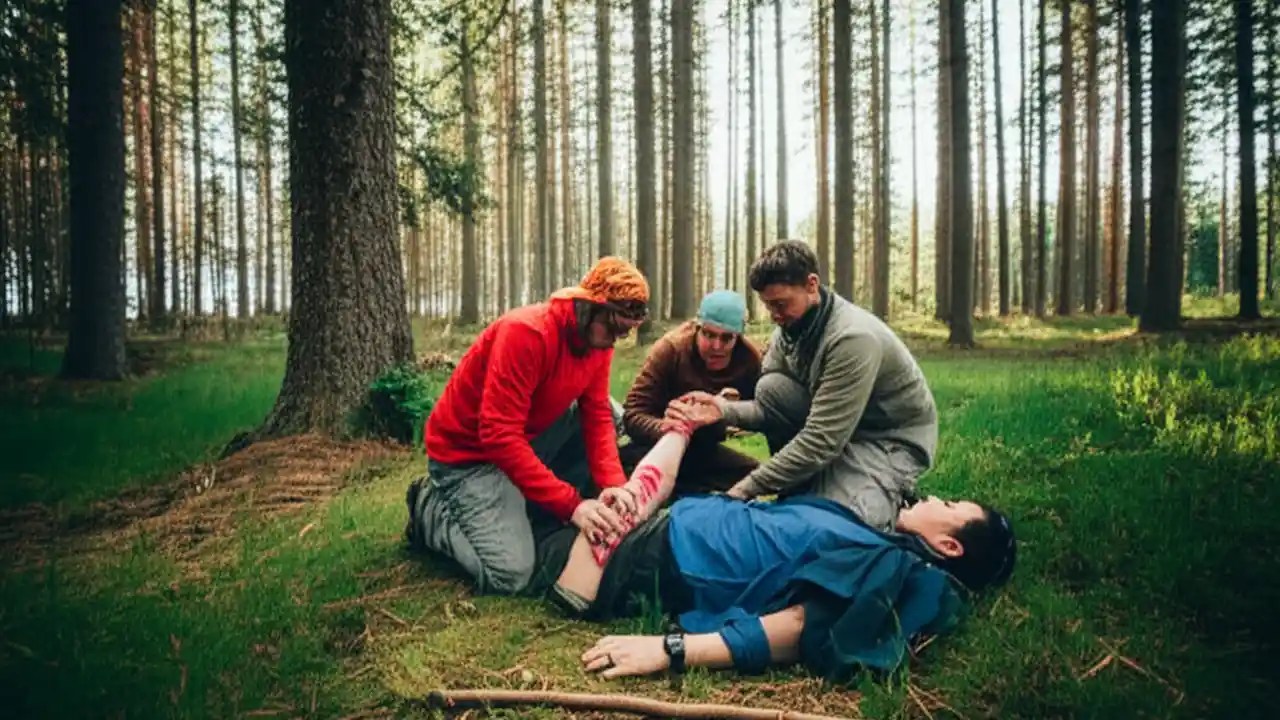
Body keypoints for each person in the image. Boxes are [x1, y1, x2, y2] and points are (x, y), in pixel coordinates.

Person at [526, 415, 1015, 682]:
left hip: (636, 558)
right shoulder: (884, 541)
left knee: (520, 542)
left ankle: (449, 508)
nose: (932, 496)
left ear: (949, 545)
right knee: (563, 433)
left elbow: (800, 627)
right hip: (663, 524)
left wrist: (669, 650)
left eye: (948, 503)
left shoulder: (899, 569)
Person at [406, 257, 651, 595]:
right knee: (511, 574)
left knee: (611, 413)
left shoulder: (598, 344)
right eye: (612, 329)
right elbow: (497, 435)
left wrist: (613, 485)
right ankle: (429, 508)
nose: (613, 341)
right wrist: (571, 504)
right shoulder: (527, 333)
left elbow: (594, 413)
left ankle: (530, 501)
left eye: (622, 334)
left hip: (526, 435)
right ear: (589, 306)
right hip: (469, 458)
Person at [669, 240, 939, 532]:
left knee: (843, 528)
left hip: (887, 440)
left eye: (780, 304)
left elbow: (821, 440)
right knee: (771, 387)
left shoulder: (852, 339)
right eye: (768, 305)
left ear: (812, 285)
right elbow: (768, 408)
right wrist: (722, 410)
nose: (774, 314)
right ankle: (804, 488)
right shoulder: (789, 329)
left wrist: (745, 488)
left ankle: (891, 497)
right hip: (838, 431)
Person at [620, 289, 763, 495]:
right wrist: (668, 427)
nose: (716, 346)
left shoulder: (748, 360)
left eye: (727, 338)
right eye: (708, 334)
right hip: (655, 446)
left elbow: (761, 413)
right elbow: (632, 414)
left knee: (755, 474)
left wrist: (729, 410)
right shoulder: (671, 350)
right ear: (697, 327)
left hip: (704, 452)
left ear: (739, 336)